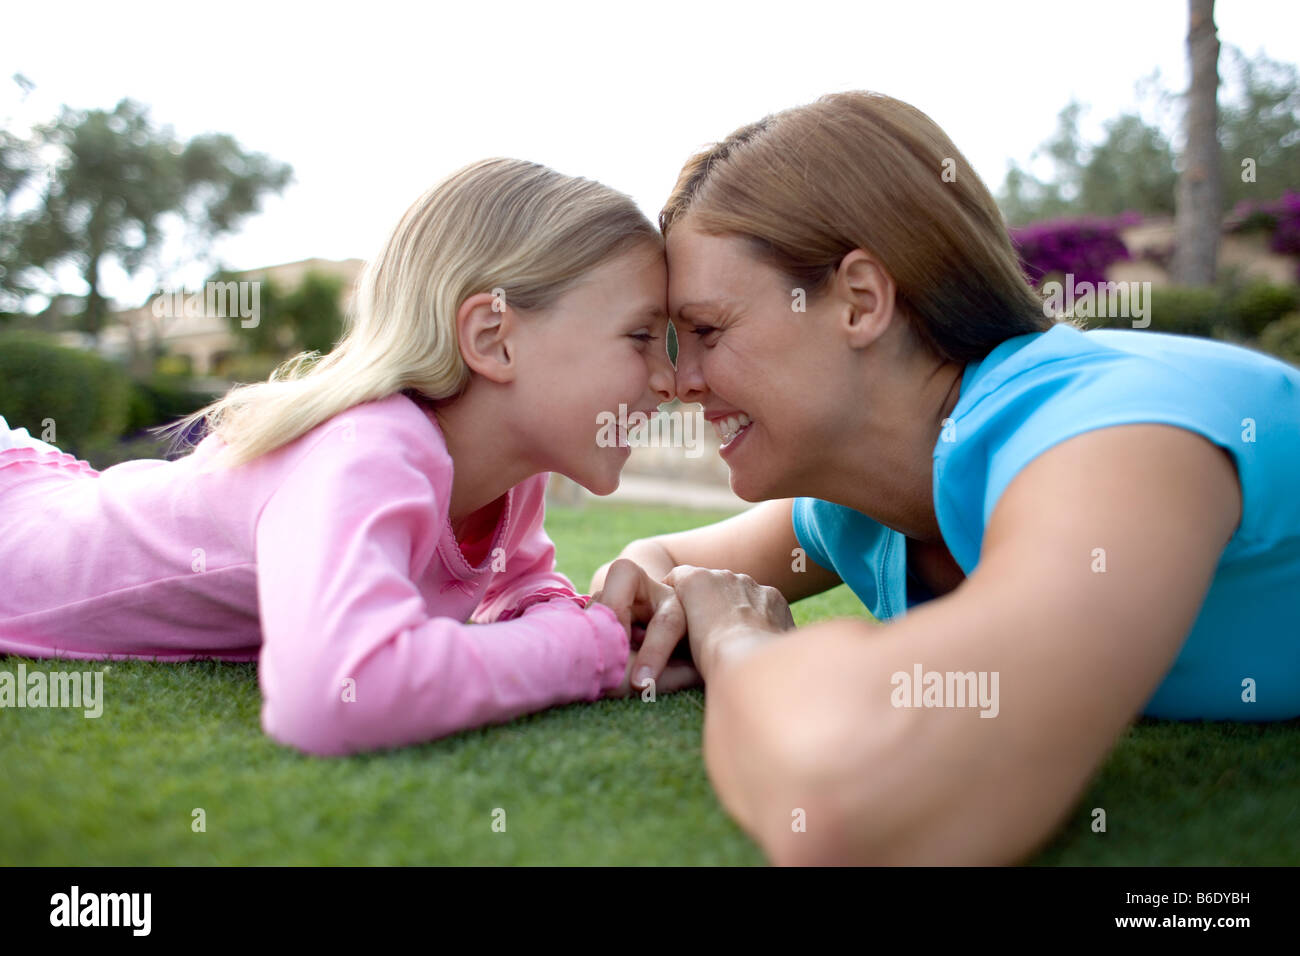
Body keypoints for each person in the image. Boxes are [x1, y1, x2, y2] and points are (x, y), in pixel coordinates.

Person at [593, 91, 1300, 865]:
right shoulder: (858, 502)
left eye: (705, 331)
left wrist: (734, 635)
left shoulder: (1110, 431)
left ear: (860, 301)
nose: (674, 379)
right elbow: (648, 568)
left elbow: (849, 799)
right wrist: (665, 599)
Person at [0, 157, 697, 757]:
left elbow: (516, 589)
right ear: (494, 337)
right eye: (640, 336)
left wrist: (590, 618)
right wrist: (591, 653)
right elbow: (335, 693)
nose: (670, 382)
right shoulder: (368, 450)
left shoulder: (511, 483)